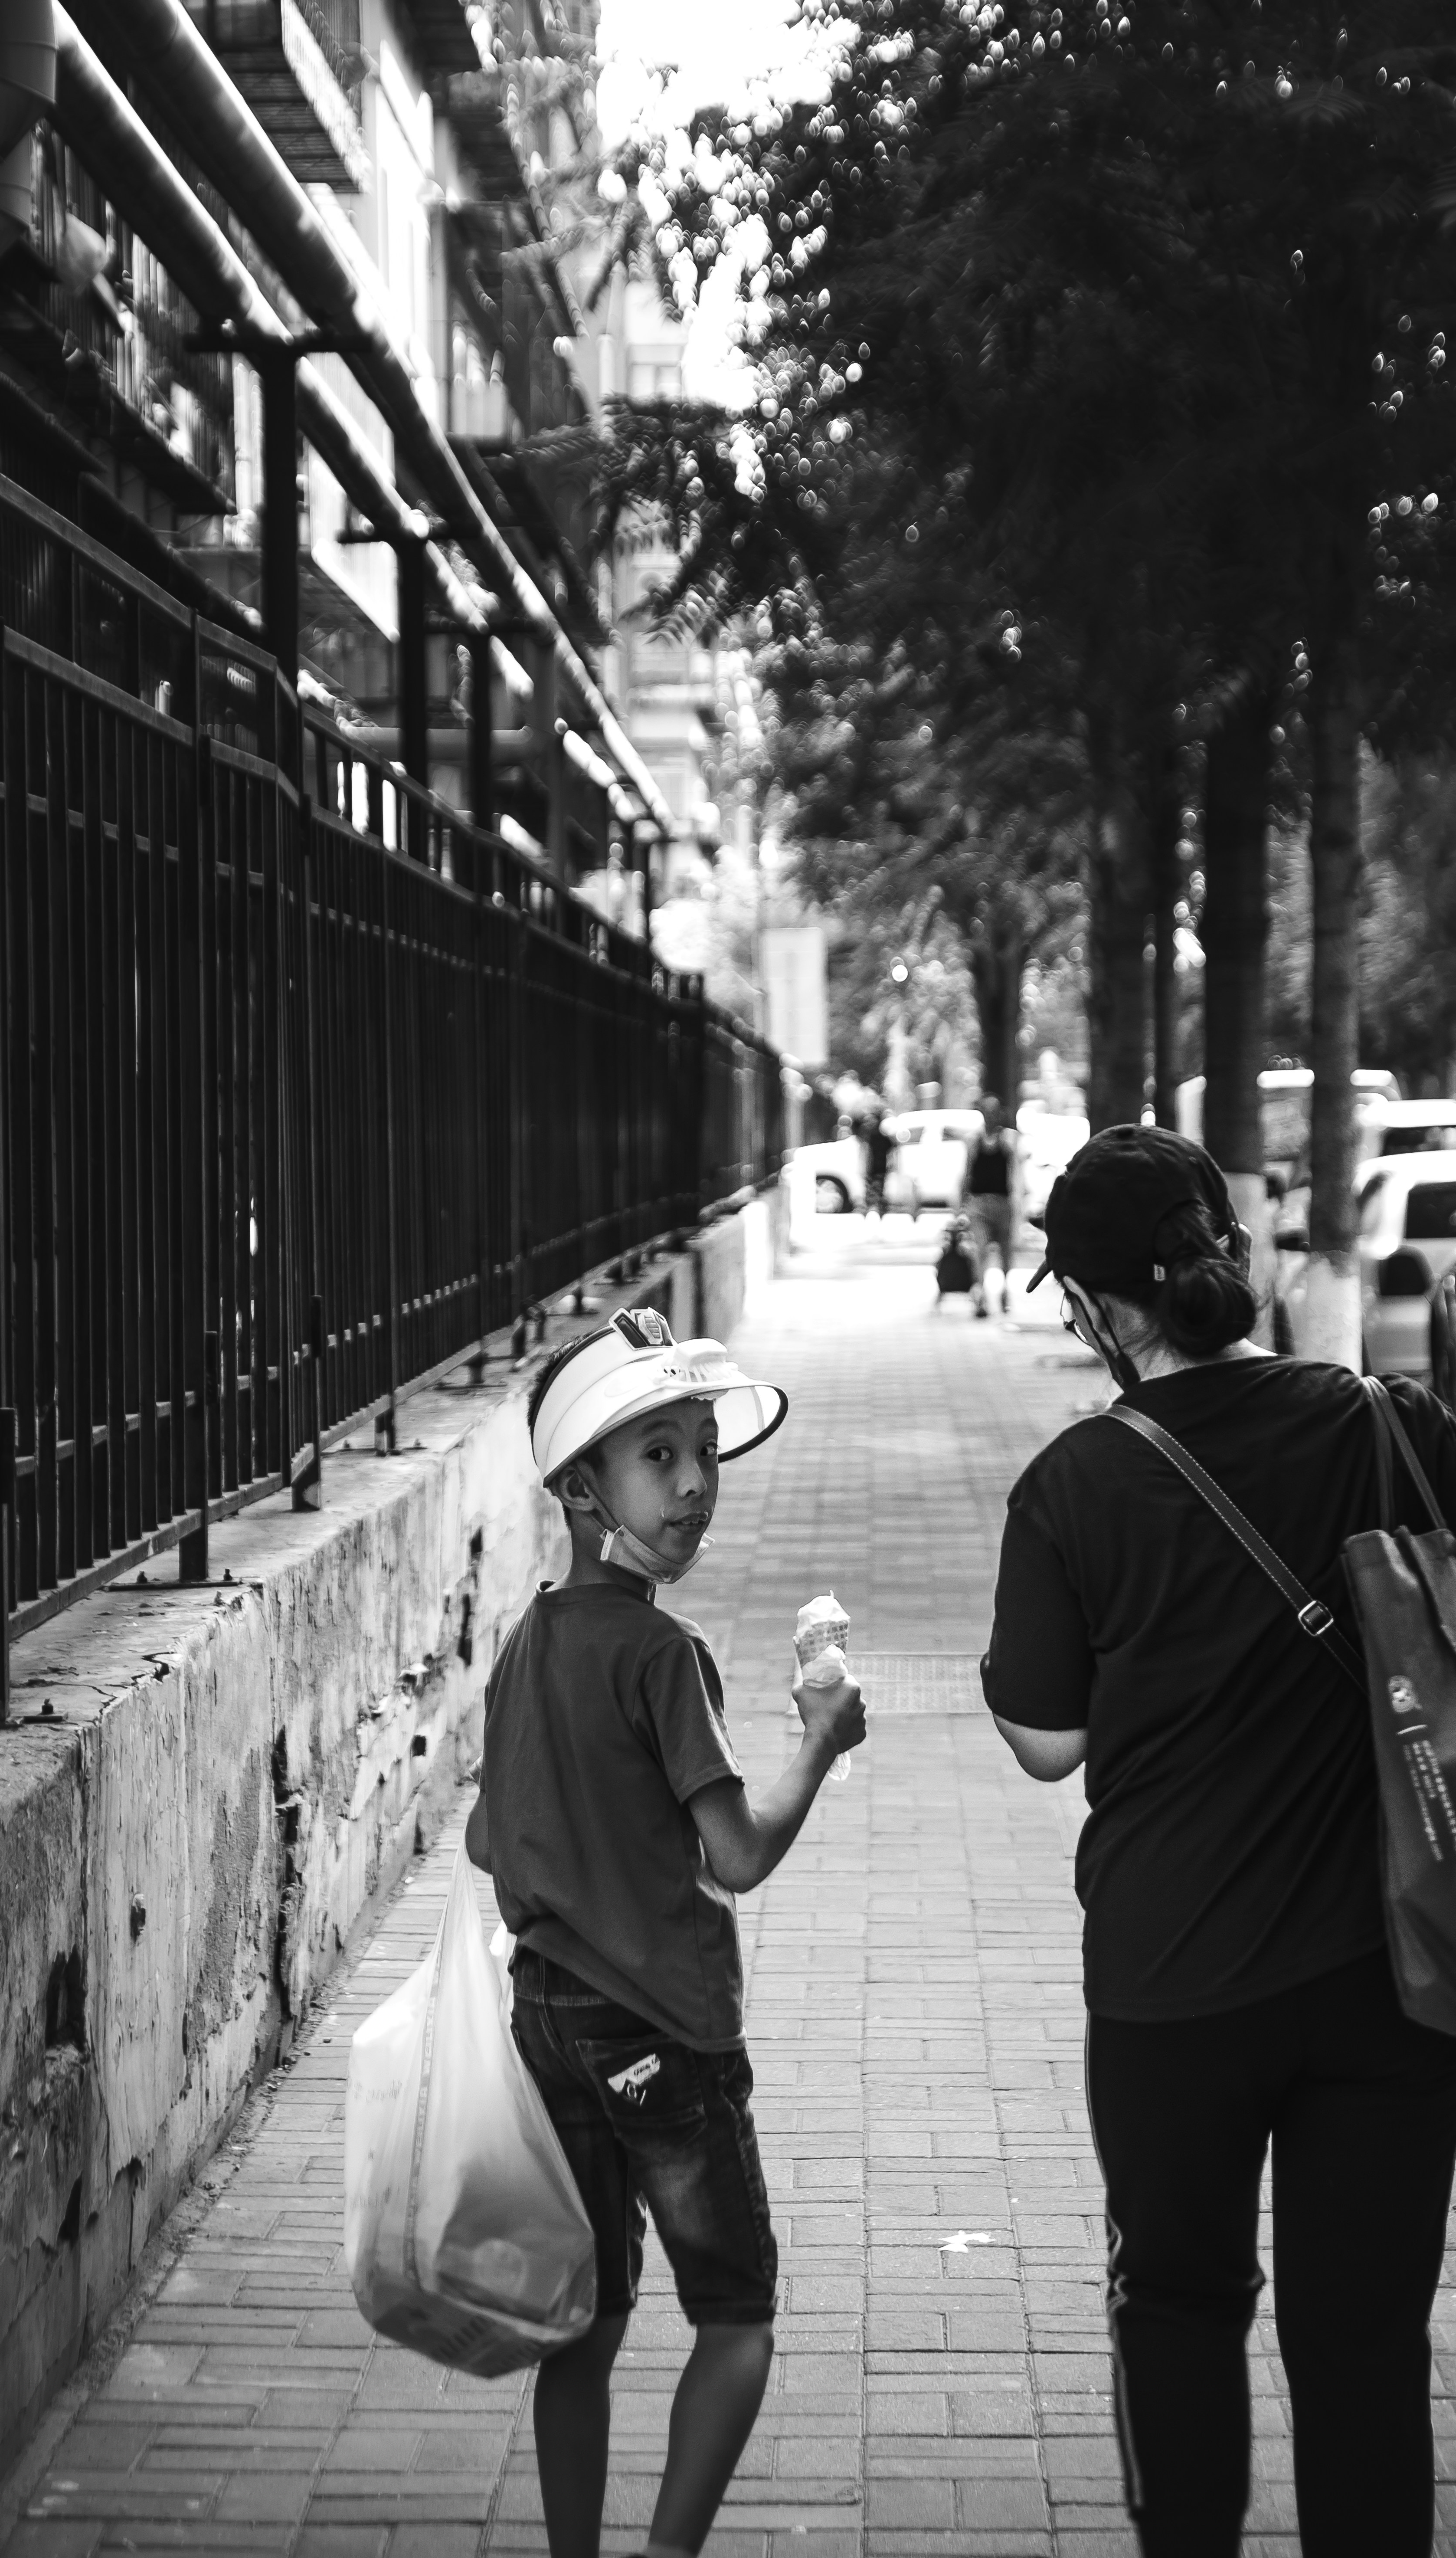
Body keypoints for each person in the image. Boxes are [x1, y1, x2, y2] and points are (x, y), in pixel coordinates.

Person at [980, 1128, 1456, 2558]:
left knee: (1177, 2305)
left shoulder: (1073, 1486)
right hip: (1399, 1971)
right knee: (1363, 2336)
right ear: (1236, 1254)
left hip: (1175, 1984)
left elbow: (1046, 1738)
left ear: (1103, 1312)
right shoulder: (1387, 1420)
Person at [466, 1307, 866, 2558]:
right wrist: (820, 1740)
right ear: (584, 1489)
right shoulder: (662, 1656)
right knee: (737, 2314)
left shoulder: (527, 1646)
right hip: (666, 2034)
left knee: (581, 2330)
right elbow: (737, 1855)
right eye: (659, 1457)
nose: (697, 1483)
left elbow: (490, 1844)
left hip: (549, 2024)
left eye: (704, 1450)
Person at [960, 1095, 1019, 1315]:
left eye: (994, 1111)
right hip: (979, 1205)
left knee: (1006, 1253)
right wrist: (961, 1205)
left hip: (1004, 1204)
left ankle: (1004, 1294)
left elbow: (1016, 1176)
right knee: (981, 1250)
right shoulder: (974, 1142)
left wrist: (1019, 1206)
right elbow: (966, 1174)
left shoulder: (1009, 1141)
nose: (990, 1116)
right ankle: (981, 1298)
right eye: (986, 1111)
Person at [862, 1102, 896, 1221]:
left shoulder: (876, 1137)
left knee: (876, 1189)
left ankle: (874, 1209)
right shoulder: (875, 1136)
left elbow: (891, 1153)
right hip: (876, 1168)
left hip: (878, 1169)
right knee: (876, 1189)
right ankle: (875, 1209)